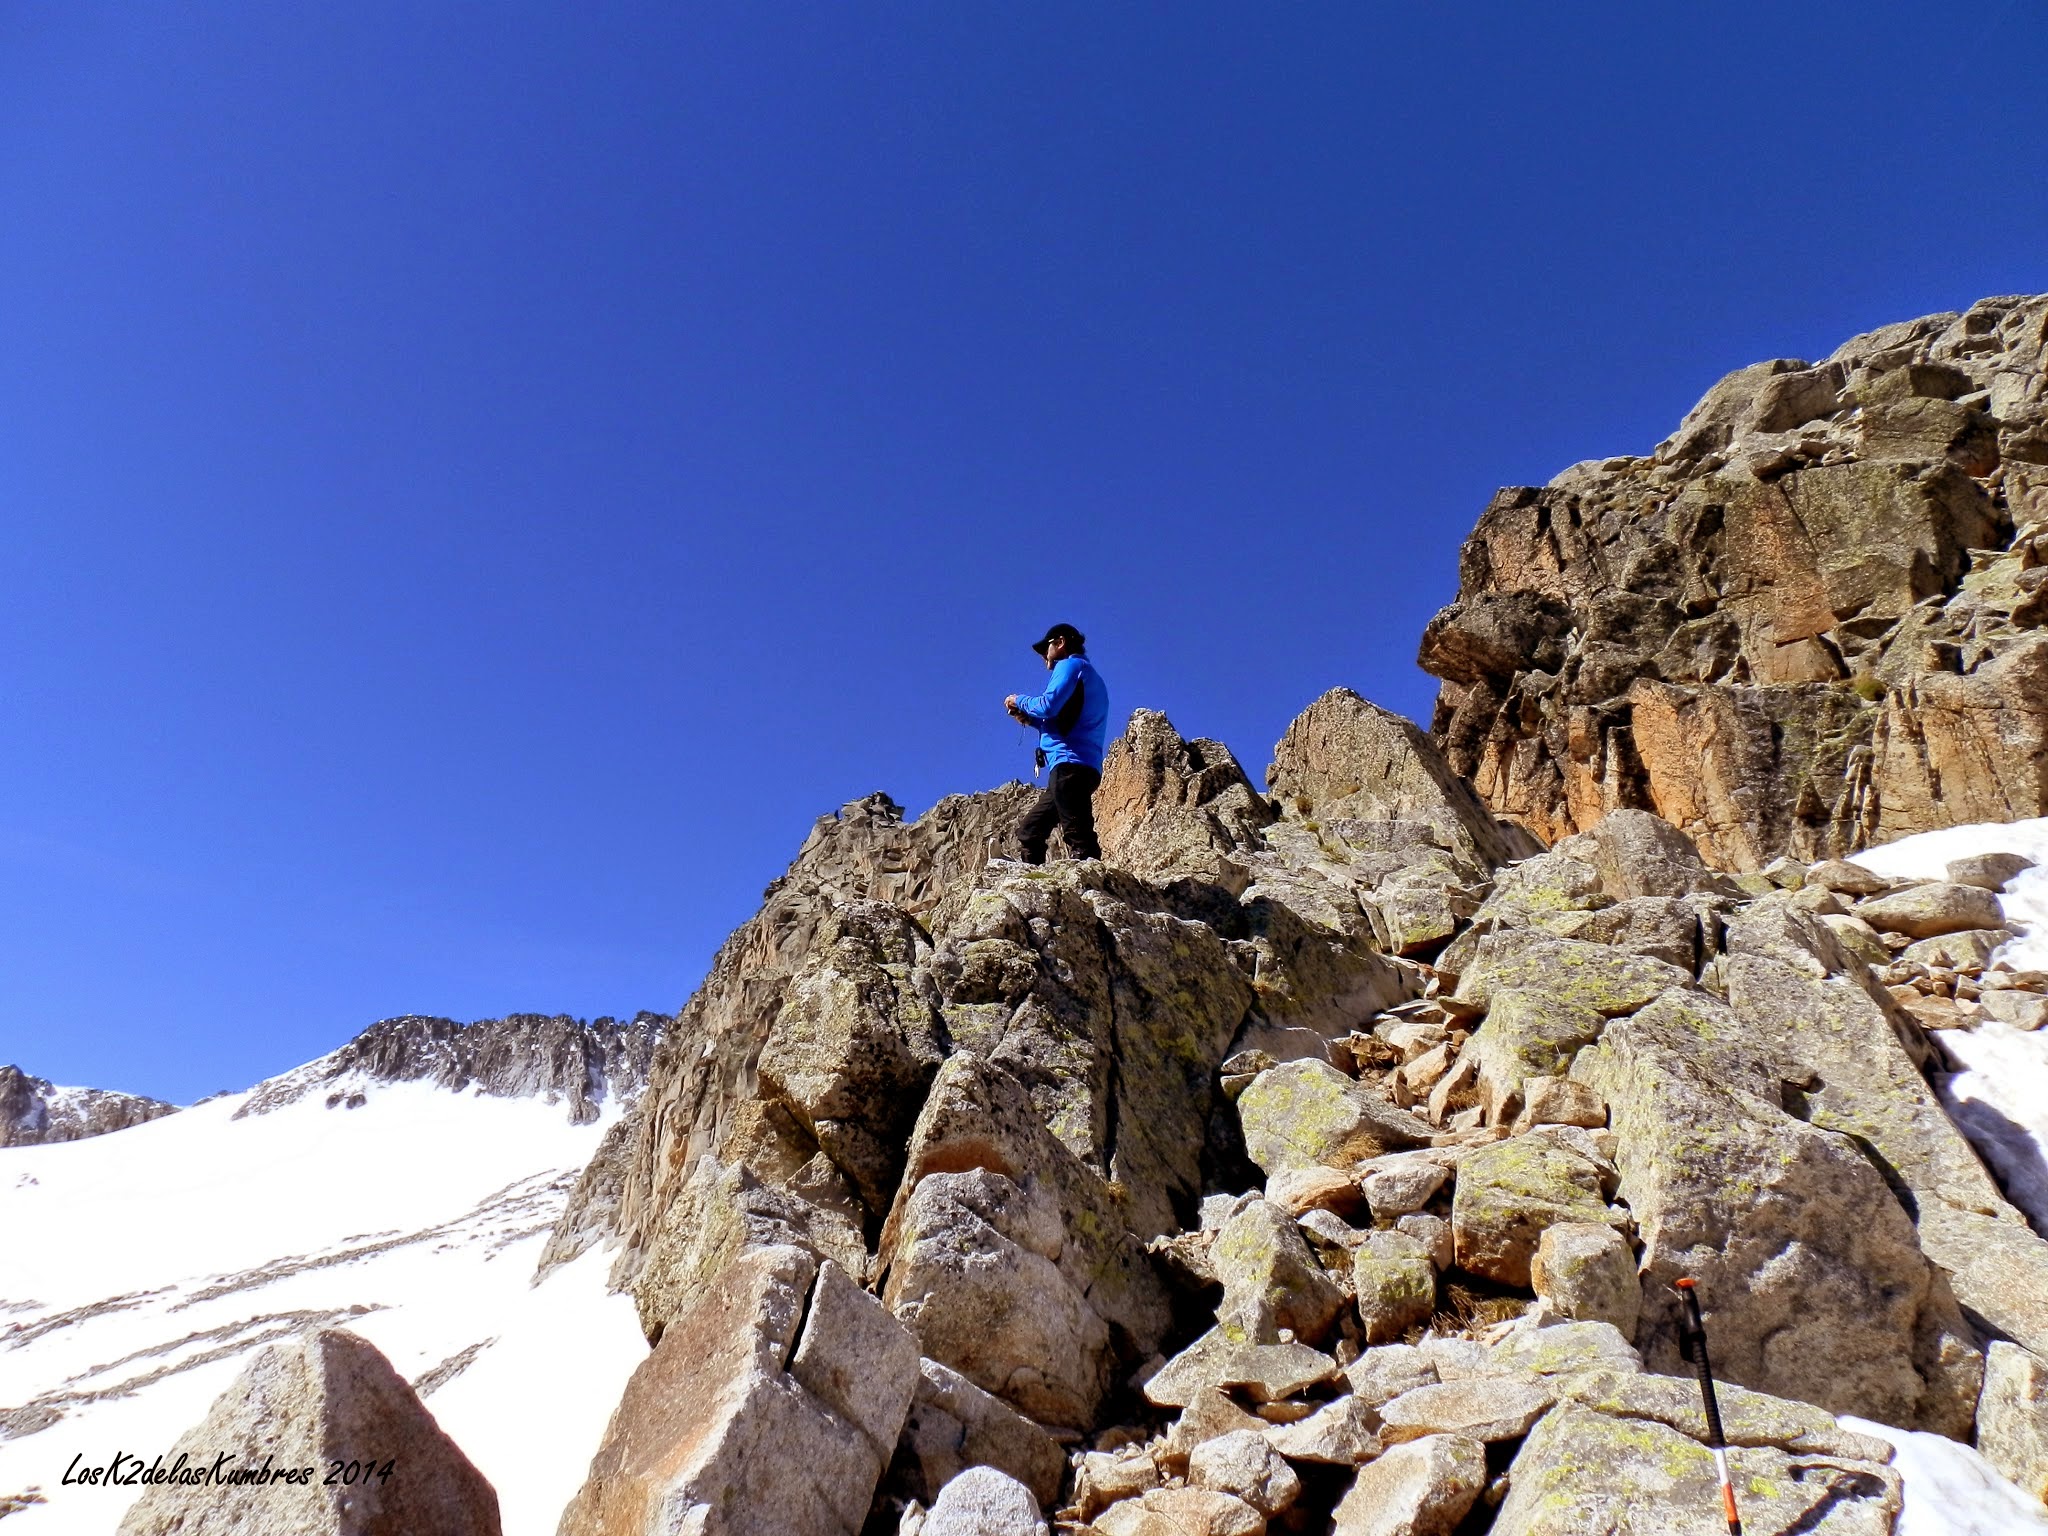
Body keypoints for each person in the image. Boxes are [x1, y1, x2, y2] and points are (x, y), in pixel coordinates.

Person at [1005, 623, 1108, 863]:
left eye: (1046, 647)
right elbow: (1067, 721)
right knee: (1030, 832)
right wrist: (1031, 720)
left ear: (1060, 643)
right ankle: (1035, 879)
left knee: (1079, 837)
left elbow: (1048, 705)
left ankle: (1090, 879)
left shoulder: (1069, 666)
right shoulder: (1090, 676)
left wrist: (1018, 700)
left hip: (1069, 766)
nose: (1044, 655)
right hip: (1081, 767)